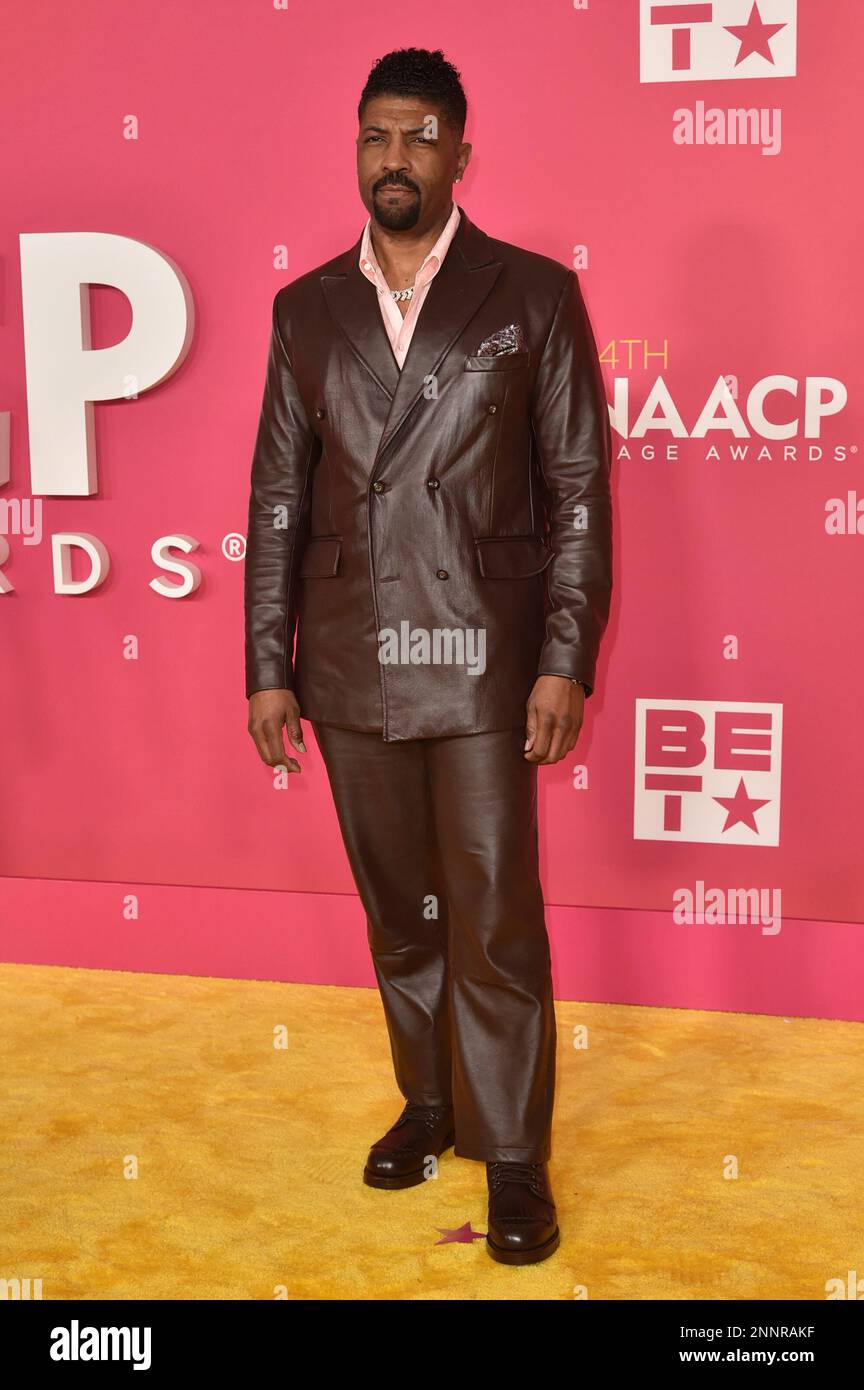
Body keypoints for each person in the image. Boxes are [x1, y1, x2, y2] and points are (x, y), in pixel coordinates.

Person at [244, 46, 613, 1265]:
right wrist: (266, 663)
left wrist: (563, 656)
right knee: (401, 914)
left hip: (482, 655)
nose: (391, 159)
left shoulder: (531, 295)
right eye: (373, 137)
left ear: (461, 152)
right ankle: (432, 1103)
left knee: (496, 918)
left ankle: (511, 1157)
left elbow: (574, 492)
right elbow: (278, 500)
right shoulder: (305, 308)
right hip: (349, 658)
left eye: (416, 136)